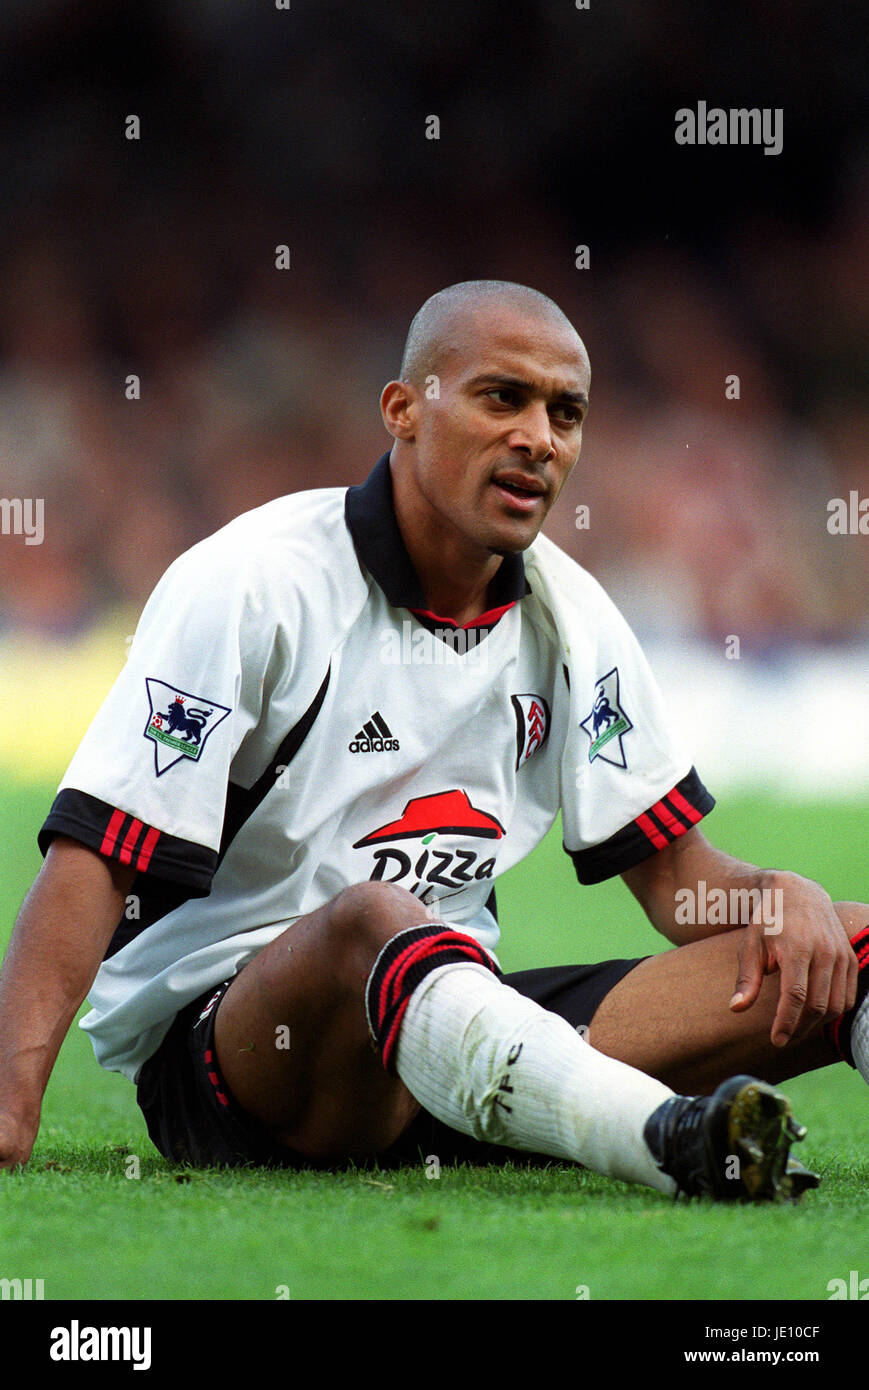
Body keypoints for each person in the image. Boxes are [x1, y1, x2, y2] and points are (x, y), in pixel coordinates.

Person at [1, 280, 866, 1201]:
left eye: (564, 412)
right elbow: (95, 857)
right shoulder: (250, 583)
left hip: (454, 1042)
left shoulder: (574, 616)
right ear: (403, 410)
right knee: (370, 918)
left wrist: (777, 897)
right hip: (238, 1058)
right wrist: (11, 1110)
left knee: (846, 942)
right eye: (504, 398)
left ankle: (555, 1093)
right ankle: (656, 1138)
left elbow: (677, 885)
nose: (539, 436)